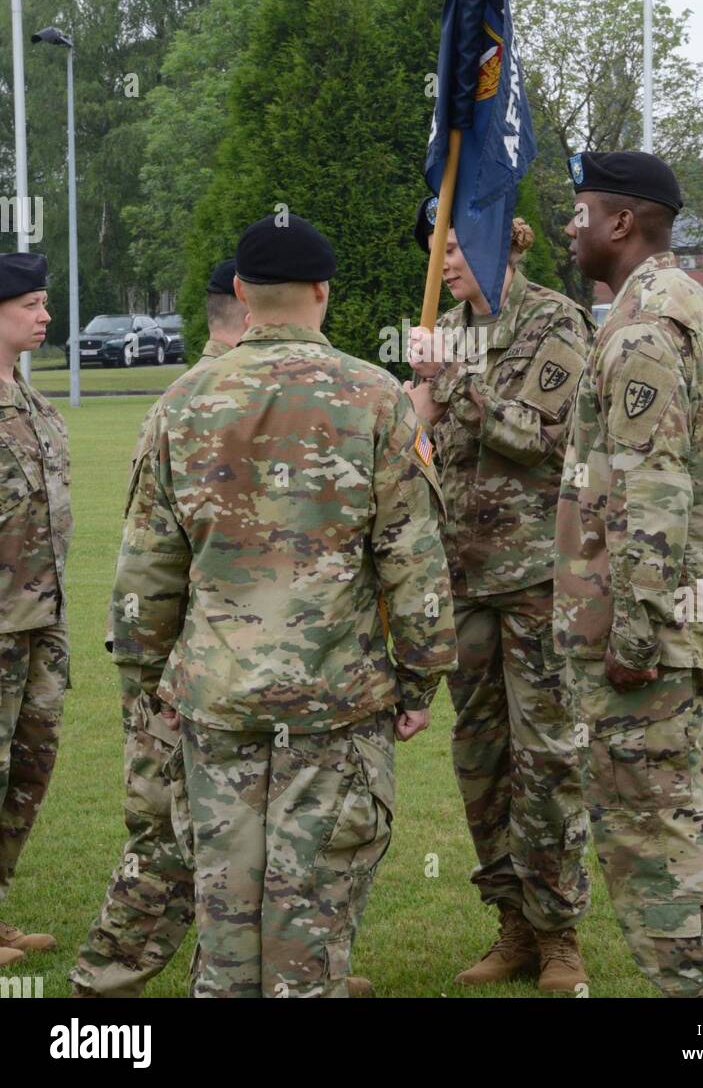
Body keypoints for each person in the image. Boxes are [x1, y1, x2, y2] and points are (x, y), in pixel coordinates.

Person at [110, 214, 457, 998]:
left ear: (240, 291)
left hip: (215, 700)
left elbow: (146, 572)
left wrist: (146, 686)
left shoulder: (183, 401)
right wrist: (421, 677)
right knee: (311, 920)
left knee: (225, 921)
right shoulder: (376, 399)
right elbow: (413, 560)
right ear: (323, 293)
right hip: (334, 703)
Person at [554, 150, 703, 999]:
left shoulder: (642, 326)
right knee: (696, 807)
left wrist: (633, 635)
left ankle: (692, 992)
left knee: (650, 832)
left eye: (579, 212)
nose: (568, 227)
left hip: (656, 633)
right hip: (695, 616)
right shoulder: (682, 303)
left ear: (620, 223)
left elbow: (654, 492)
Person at [406, 199, 594, 993]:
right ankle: (510, 924)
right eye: (434, 249)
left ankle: (560, 937)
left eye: (454, 246)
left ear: (496, 244)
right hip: (463, 581)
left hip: (537, 582)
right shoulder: (440, 330)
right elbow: (429, 458)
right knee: (481, 762)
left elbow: (539, 436)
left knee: (546, 758)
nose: (443, 261)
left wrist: (449, 377)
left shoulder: (555, 323)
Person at [69, 259, 247, 999]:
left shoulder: (235, 395)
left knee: (236, 832)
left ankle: (253, 975)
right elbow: (148, 558)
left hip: (212, 660)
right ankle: (101, 992)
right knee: (168, 834)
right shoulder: (192, 401)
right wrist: (149, 678)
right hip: (177, 661)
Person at [0, 252, 73, 967]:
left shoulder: (32, 402)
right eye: (31, 305)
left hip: (40, 623)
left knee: (29, 769)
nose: (45, 316)